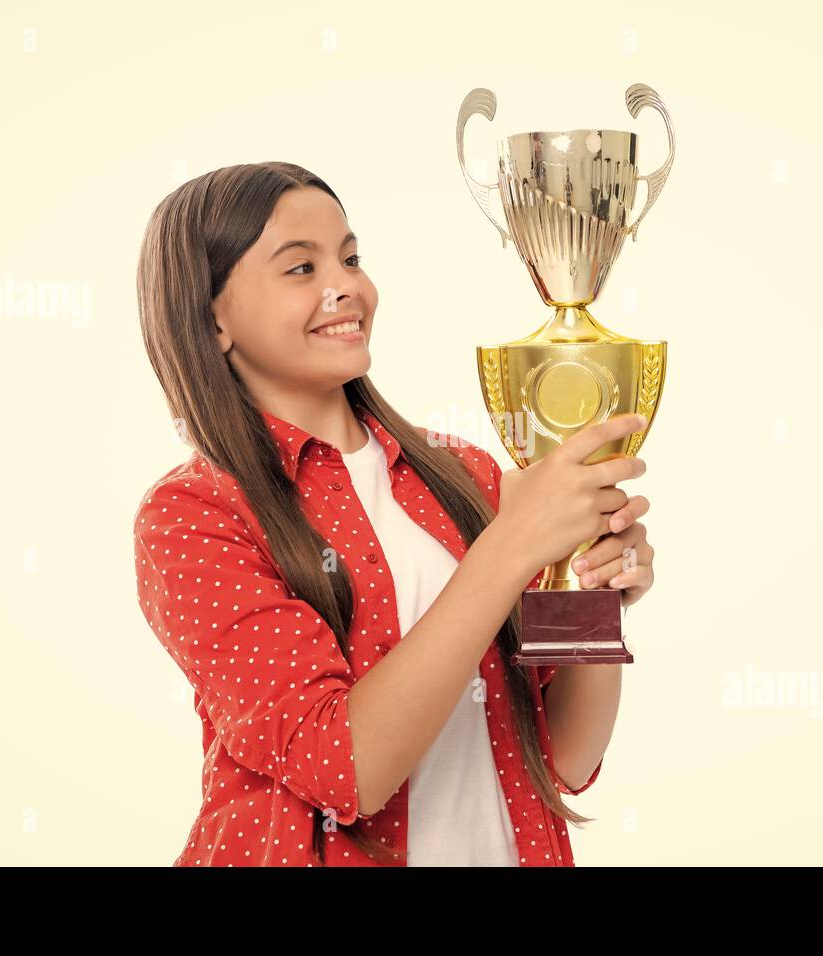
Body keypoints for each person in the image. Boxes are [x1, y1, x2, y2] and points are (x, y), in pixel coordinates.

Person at [132, 161, 655, 866]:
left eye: (350, 257)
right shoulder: (193, 516)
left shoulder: (466, 474)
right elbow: (346, 769)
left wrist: (593, 594)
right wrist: (511, 546)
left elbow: (562, 758)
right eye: (300, 268)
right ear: (212, 317)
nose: (345, 285)